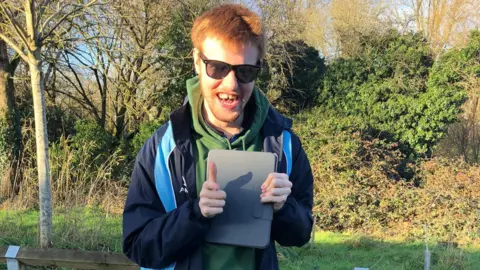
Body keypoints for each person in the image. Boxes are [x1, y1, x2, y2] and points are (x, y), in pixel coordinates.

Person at [122, 3, 314, 270]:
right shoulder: (164, 147)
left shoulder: (283, 144)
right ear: (197, 62)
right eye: (217, 68)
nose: (231, 85)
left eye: (245, 71)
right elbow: (138, 246)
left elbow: (301, 233)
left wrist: (284, 208)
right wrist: (195, 214)